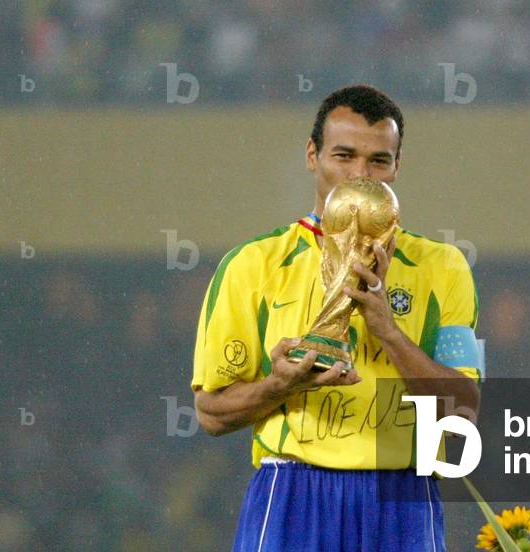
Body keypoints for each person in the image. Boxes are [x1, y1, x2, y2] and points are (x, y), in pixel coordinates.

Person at [191, 84, 483, 551]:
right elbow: (210, 413)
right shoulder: (253, 265)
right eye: (343, 156)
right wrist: (280, 385)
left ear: (397, 167)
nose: (359, 177)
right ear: (312, 155)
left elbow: (463, 408)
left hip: (402, 492)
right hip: (292, 490)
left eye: (378, 161)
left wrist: (387, 329)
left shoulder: (442, 266)